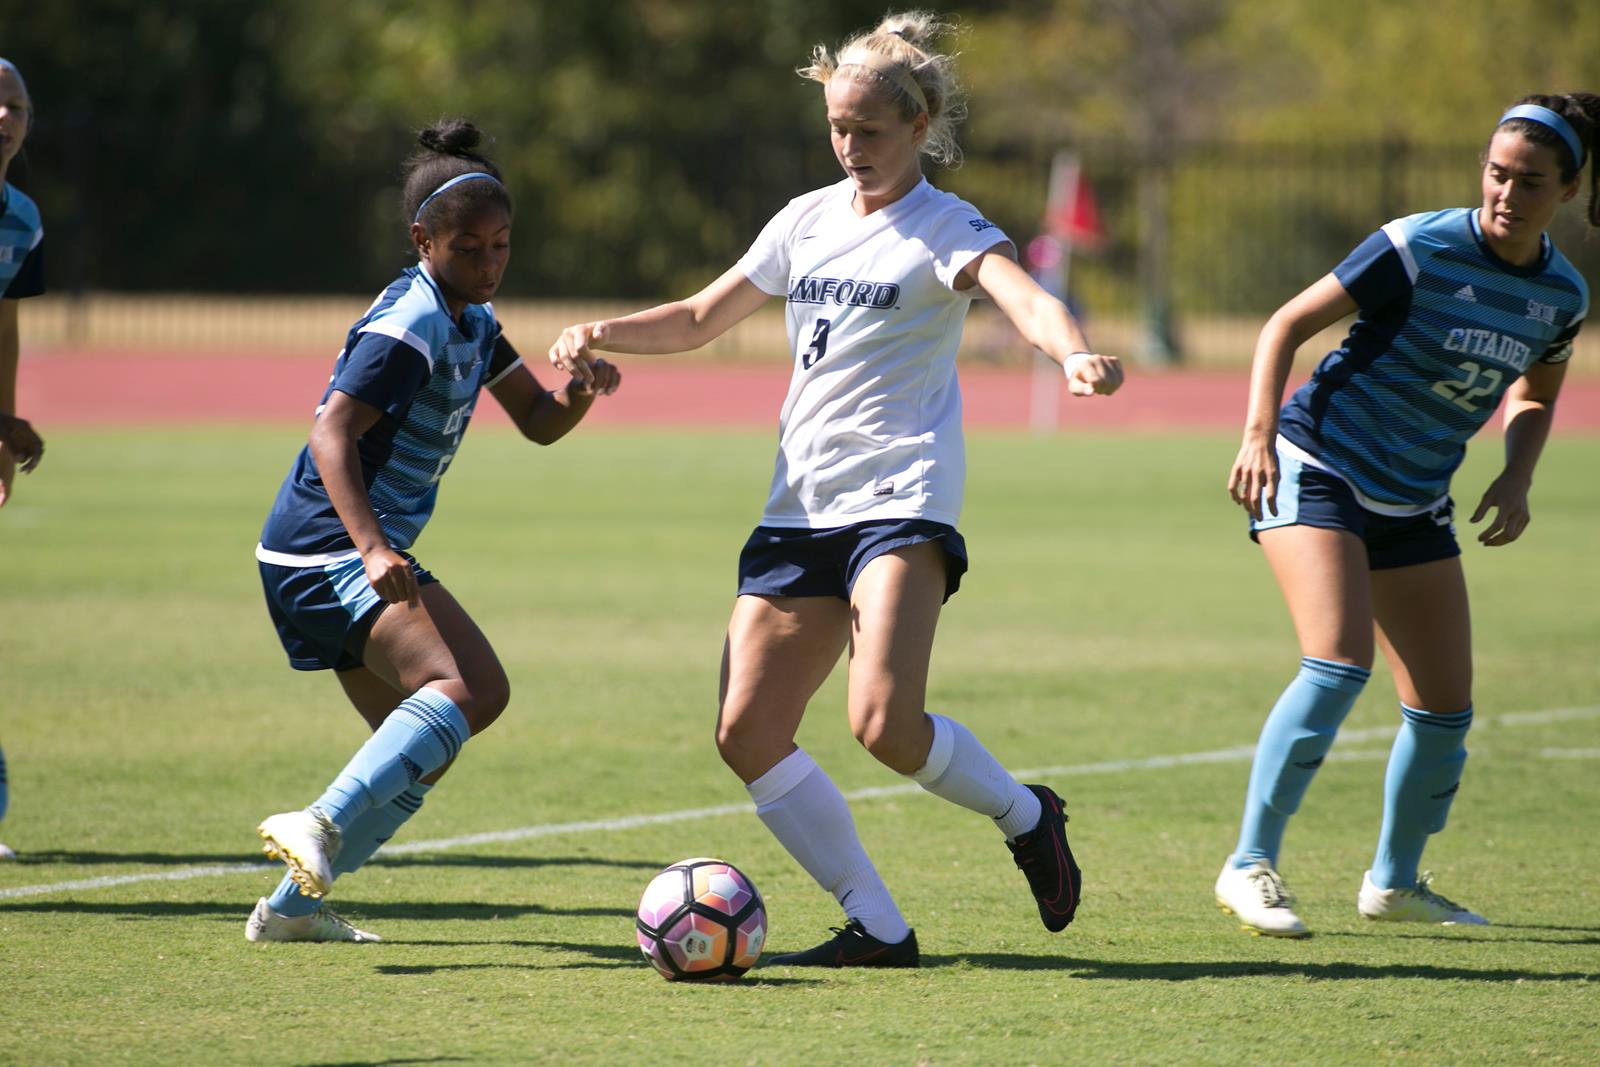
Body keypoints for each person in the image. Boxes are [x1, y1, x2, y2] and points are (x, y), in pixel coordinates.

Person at [549, 12, 1122, 967]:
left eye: (871, 130)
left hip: (901, 497)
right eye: (838, 128)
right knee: (747, 731)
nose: (851, 147)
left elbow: (1019, 293)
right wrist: (601, 331)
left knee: (882, 722)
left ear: (921, 123)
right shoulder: (806, 218)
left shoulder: (946, 225)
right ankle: (881, 928)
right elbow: (699, 316)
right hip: (799, 504)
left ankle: (1028, 816)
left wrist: (1073, 352)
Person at [1216, 93, 1595, 937]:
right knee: (1337, 663)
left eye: (1530, 181)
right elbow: (1285, 324)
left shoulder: (1562, 296)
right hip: (1318, 463)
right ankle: (1248, 864)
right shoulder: (1418, 244)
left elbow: (1535, 388)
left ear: (1567, 192)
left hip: (1416, 495)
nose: (1506, 193)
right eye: (1497, 173)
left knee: (1444, 709)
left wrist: (1518, 474)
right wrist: (1257, 437)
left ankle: (1395, 882)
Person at [248, 119, 620, 942]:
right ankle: (317, 821)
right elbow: (330, 433)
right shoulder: (410, 323)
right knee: (452, 691)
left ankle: (293, 911)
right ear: (423, 239)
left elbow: (537, 420)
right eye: (468, 249)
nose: (489, 264)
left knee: (468, 706)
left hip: (348, 549)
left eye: (501, 246)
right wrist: (375, 548)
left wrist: (583, 388)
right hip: (325, 547)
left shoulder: (471, 318)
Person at [1, 57, 47, 861]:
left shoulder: (22, 218)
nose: (1, 116)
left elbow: (3, 329)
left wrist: (3, 429)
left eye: (11, 105)